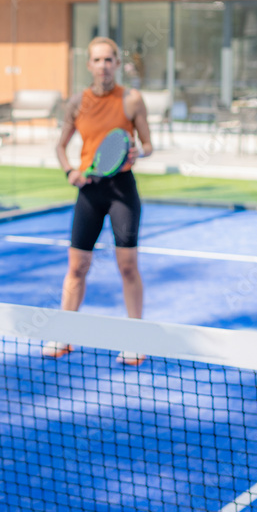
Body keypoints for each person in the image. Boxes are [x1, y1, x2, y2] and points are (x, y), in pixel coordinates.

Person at [48, 36, 153, 365]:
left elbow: (148, 144)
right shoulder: (77, 103)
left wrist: (139, 151)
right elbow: (60, 147)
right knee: (77, 267)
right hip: (89, 192)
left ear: (117, 64)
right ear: (89, 65)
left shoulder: (133, 100)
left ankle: (136, 339)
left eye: (109, 59)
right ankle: (66, 334)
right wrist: (70, 172)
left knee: (127, 266)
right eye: (98, 60)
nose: (103, 65)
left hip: (123, 190)